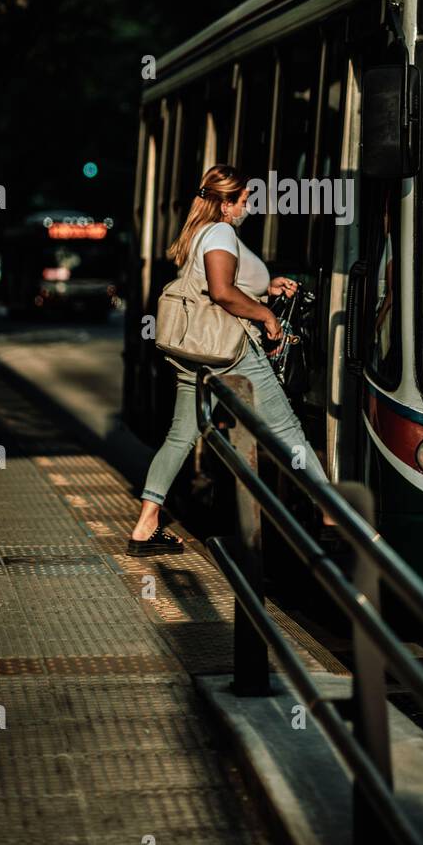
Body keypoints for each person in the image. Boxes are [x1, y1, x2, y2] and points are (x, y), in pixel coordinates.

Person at [127, 164, 330, 555]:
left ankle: (145, 525)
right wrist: (267, 315)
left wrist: (266, 288)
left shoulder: (200, 232)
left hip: (195, 350)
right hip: (230, 351)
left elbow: (221, 284)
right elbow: (221, 292)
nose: (249, 206)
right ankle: (331, 513)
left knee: (181, 435)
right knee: (287, 430)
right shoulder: (221, 232)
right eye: (245, 200)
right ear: (226, 205)